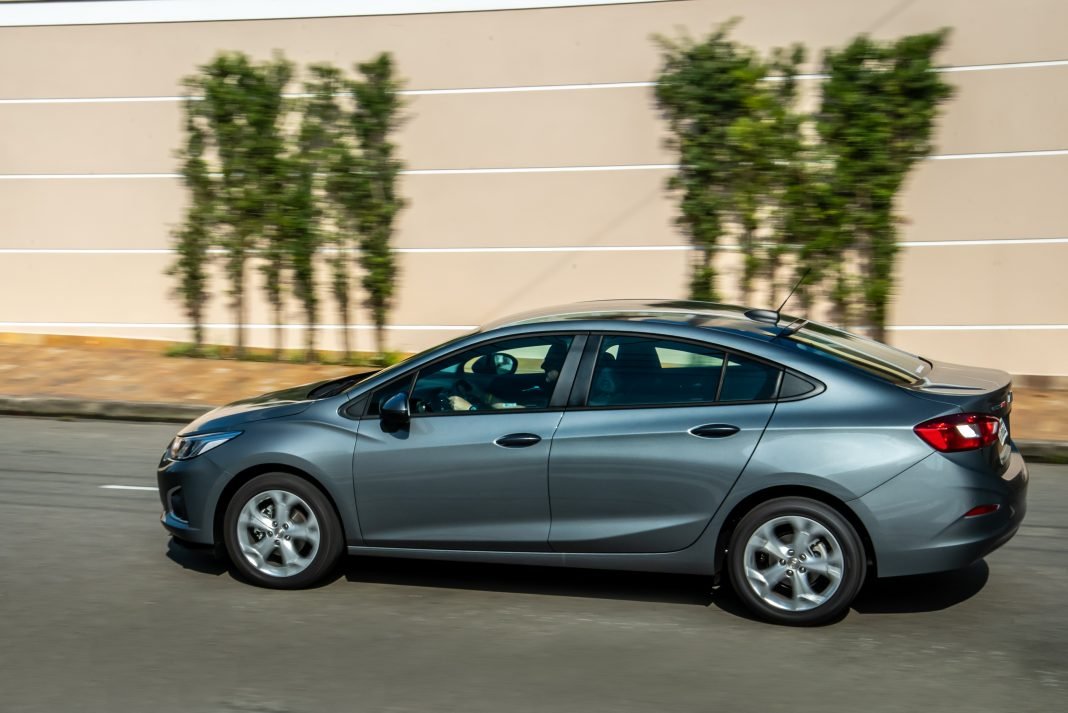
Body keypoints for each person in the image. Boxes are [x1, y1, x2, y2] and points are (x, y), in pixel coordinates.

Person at [447, 340, 568, 411]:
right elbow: (513, 407)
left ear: (566, 368)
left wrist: (471, 408)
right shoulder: (559, 389)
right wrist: (482, 396)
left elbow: (523, 414)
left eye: (552, 364)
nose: (543, 366)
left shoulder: (566, 394)